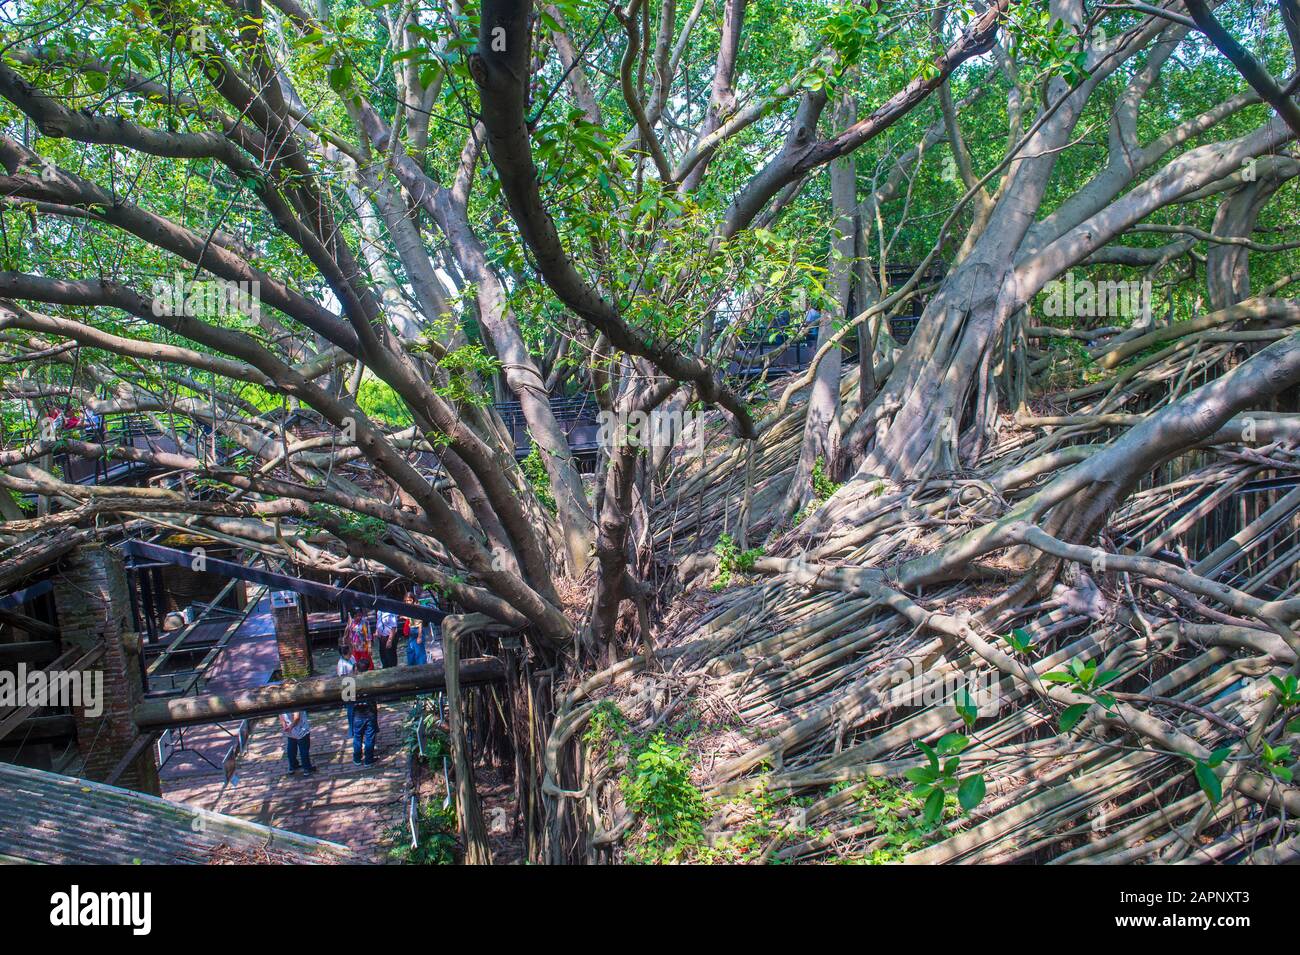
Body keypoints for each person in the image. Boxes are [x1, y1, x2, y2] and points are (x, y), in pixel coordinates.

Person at [351, 657, 378, 766]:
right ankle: (368, 760)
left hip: (357, 714)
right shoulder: (372, 681)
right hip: (370, 712)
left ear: (357, 668)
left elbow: (347, 699)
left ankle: (357, 759)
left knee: (357, 737)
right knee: (369, 738)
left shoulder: (351, 681)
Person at [279, 710, 314, 776]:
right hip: (301, 730)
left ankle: (292, 767)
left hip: (290, 732)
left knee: (291, 749)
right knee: (304, 750)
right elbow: (297, 717)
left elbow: (281, 715)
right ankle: (306, 768)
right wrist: (290, 727)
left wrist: (285, 727)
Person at [337, 642, 356, 738]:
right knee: (350, 709)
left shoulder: (352, 658)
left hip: (355, 683)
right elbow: (342, 678)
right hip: (347, 687)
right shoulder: (342, 664)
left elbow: (355, 667)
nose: (351, 652)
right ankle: (351, 728)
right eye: (349, 651)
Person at [403, 592, 426, 666]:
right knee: (410, 651)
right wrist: (404, 617)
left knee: (419, 652)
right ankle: (412, 668)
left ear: (412, 600)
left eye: (409, 600)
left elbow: (420, 623)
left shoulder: (417, 608)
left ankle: (422, 669)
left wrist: (419, 636)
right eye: (406, 600)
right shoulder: (409, 608)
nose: (407, 602)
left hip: (417, 631)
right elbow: (412, 619)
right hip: (412, 631)